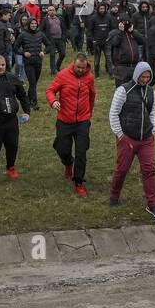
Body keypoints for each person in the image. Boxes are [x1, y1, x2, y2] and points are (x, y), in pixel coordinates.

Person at [109, 61, 155, 220]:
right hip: (128, 138)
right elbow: (113, 114)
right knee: (122, 169)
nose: (145, 80)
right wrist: (121, 136)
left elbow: (151, 112)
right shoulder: (123, 90)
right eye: (143, 76)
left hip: (146, 138)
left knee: (149, 170)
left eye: (148, 77)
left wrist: (153, 129)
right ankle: (114, 195)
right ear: (136, 75)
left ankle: (152, 204)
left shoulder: (152, 92)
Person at [46, 52, 97, 198]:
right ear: (73, 64)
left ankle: (79, 182)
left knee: (81, 151)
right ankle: (68, 163)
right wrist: (53, 101)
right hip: (64, 120)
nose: (81, 70)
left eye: (83, 67)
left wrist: (89, 114)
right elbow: (50, 90)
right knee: (62, 148)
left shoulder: (90, 77)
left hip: (82, 121)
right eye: (78, 67)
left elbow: (92, 96)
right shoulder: (63, 75)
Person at [0, 53, 30, 191]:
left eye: (3, 65)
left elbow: (22, 95)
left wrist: (26, 111)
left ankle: (11, 167)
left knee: (12, 146)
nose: (0, 67)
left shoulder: (12, 78)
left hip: (11, 121)